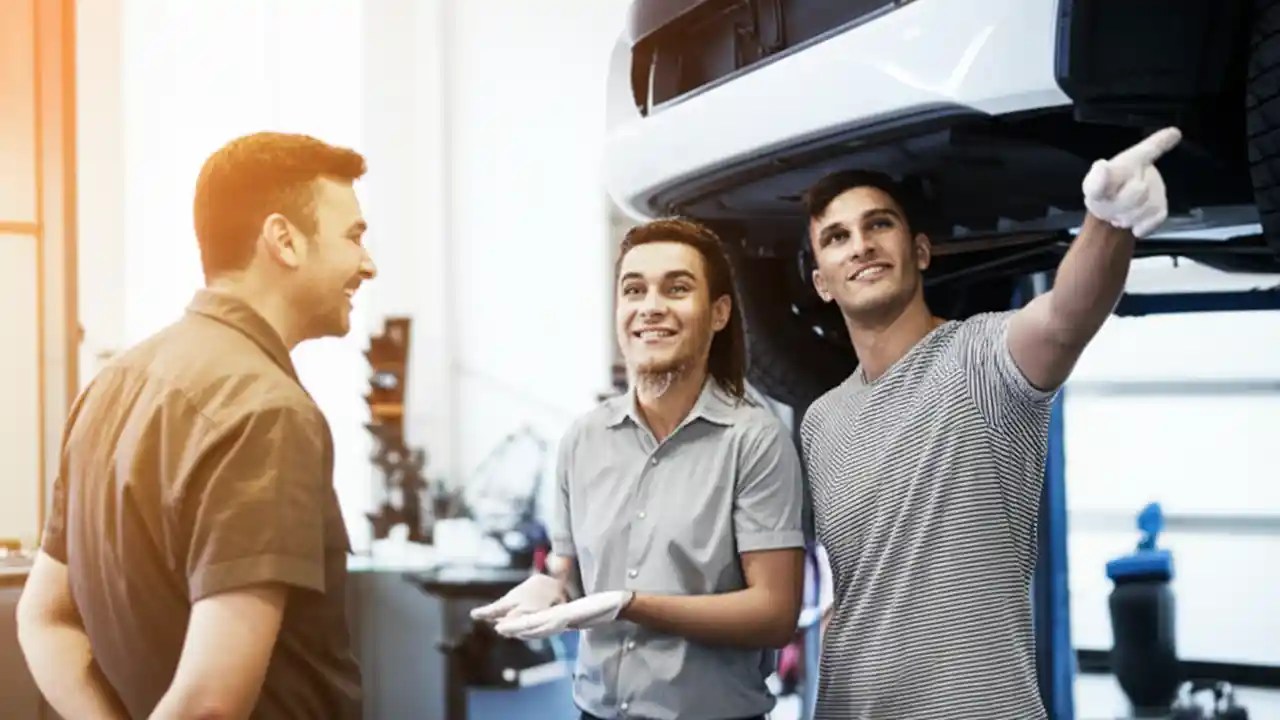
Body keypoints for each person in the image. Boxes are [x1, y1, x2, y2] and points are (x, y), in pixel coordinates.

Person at [797, 127, 1182, 719]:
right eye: (837, 237)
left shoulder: (976, 358)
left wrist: (1107, 220)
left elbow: (1061, 320)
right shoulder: (821, 421)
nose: (861, 245)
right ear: (823, 282)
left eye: (880, 225)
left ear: (920, 251)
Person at [16, 131, 376, 720]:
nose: (367, 262)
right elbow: (209, 704)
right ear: (284, 240)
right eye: (353, 237)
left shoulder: (113, 385)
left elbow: (45, 617)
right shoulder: (267, 413)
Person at [471, 218, 807, 720]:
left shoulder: (754, 442)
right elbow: (570, 570)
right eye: (634, 289)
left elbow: (774, 614)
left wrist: (629, 604)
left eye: (677, 288)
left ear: (718, 313)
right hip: (595, 712)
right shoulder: (582, 440)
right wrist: (550, 585)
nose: (651, 306)